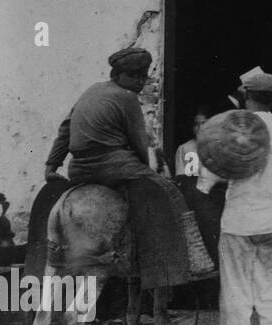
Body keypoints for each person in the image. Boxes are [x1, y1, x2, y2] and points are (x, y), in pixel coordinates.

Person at [44, 47, 208, 293]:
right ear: (118, 75)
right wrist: (148, 172)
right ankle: (195, 260)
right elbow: (139, 142)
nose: (140, 82)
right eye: (135, 76)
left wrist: (51, 165)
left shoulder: (91, 91)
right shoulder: (127, 97)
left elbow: (66, 128)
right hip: (113, 165)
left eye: (143, 76)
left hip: (79, 168)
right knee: (169, 190)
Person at [200, 68, 272, 325]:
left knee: (237, 290)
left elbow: (208, 177)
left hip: (240, 221)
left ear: (245, 95)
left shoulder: (234, 130)